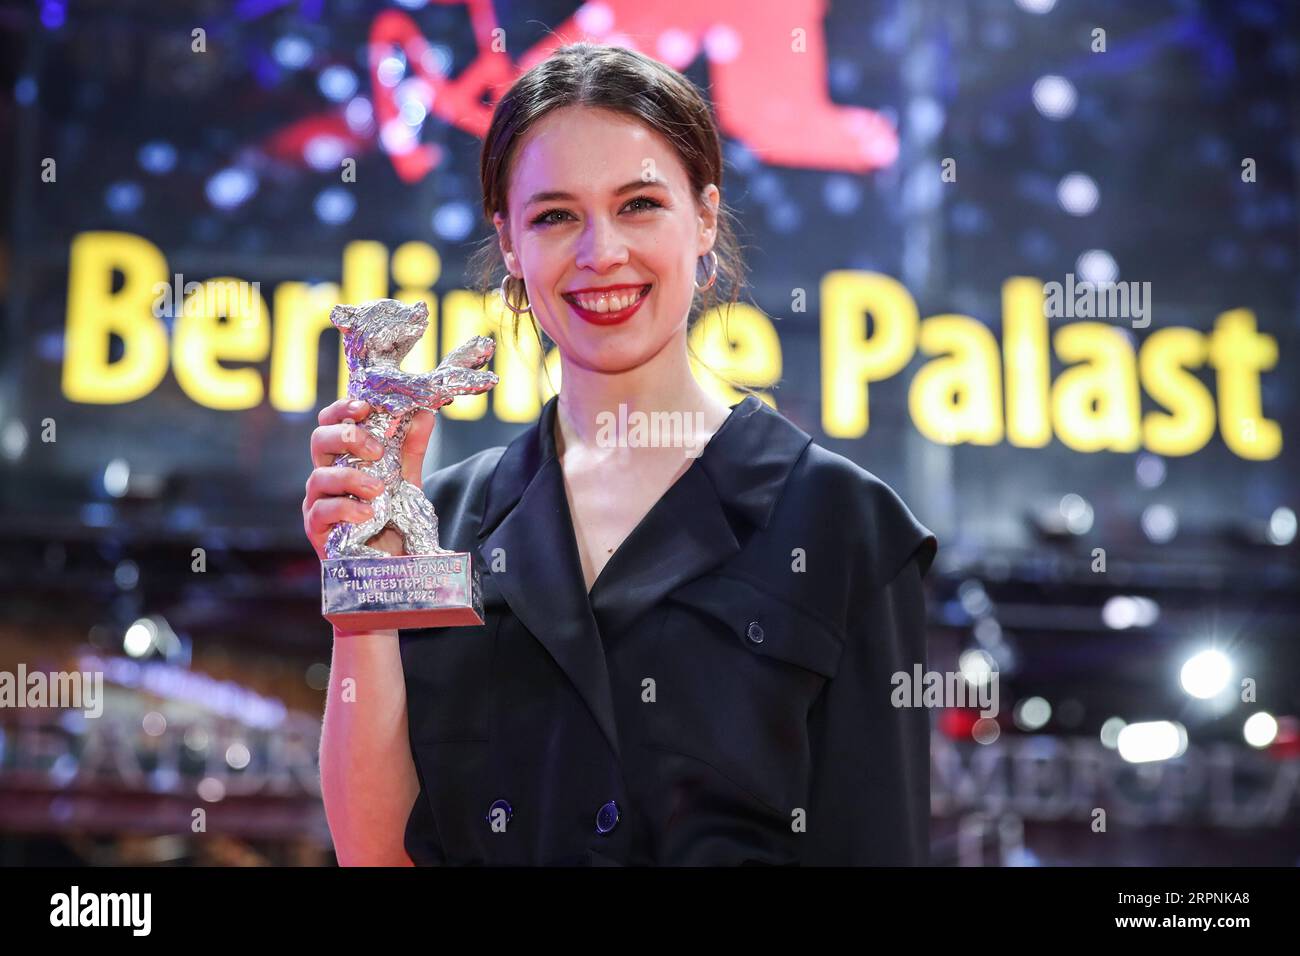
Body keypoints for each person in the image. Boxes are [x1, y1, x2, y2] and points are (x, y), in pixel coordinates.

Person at [305, 42, 936, 866]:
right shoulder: (446, 524)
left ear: (704, 216)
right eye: (555, 216)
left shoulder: (846, 524)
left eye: (639, 204)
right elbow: (374, 854)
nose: (601, 253)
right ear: (509, 245)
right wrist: (362, 579)